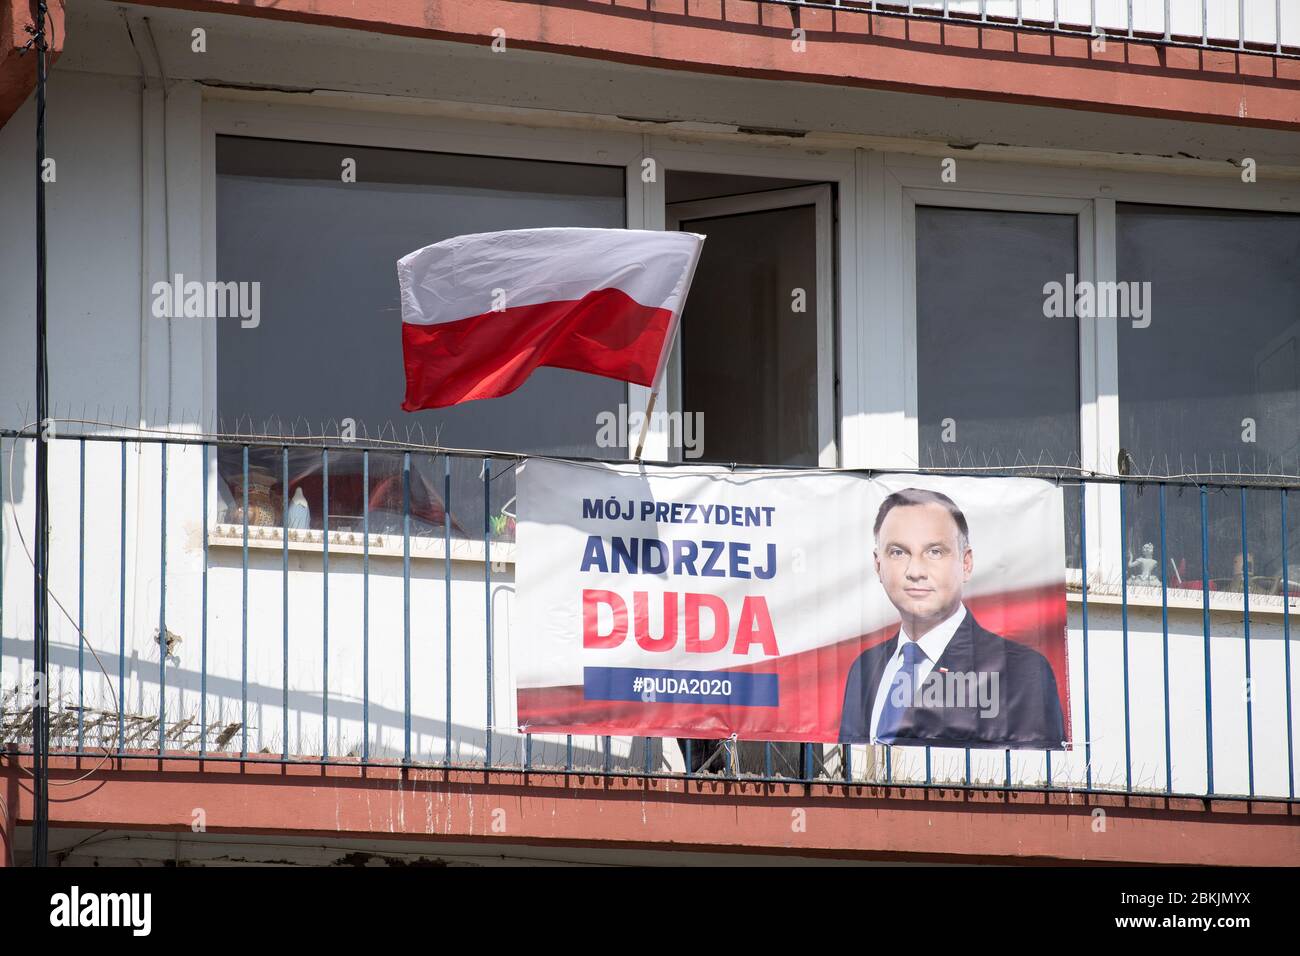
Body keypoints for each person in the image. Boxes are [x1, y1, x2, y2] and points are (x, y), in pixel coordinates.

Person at [839, 488, 1065, 749]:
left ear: (966, 563)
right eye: (898, 552)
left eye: (934, 551)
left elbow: (1036, 780)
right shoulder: (864, 669)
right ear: (878, 565)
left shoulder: (1022, 671)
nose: (915, 571)